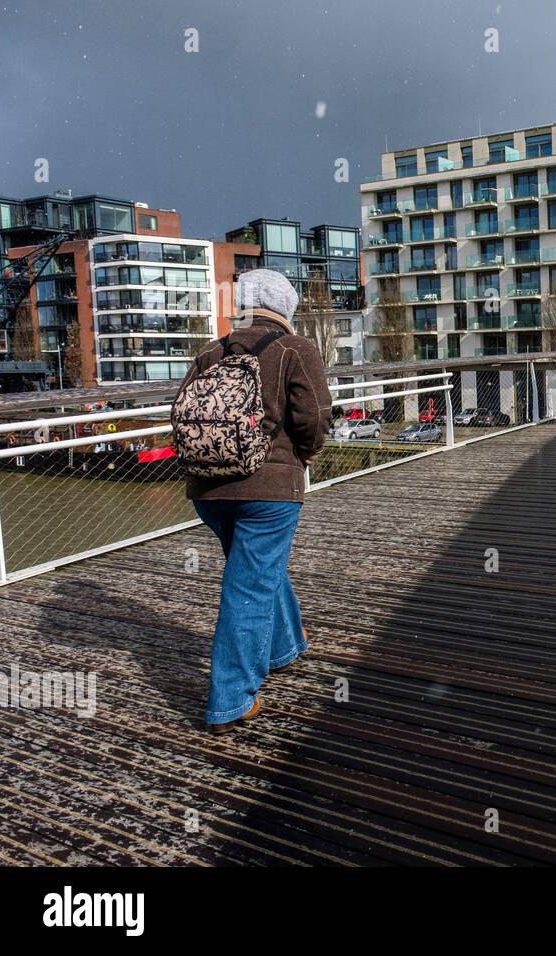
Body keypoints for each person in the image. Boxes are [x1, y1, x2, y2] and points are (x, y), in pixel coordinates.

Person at [177, 269, 332, 735]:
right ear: (286, 307)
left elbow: (183, 415)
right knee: (249, 584)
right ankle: (230, 699)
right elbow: (315, 418)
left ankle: (285, 647)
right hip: (268, 492)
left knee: (257, 568)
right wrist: (298, 460)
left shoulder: (210, 352)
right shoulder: (295, 349)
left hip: (209, 491)